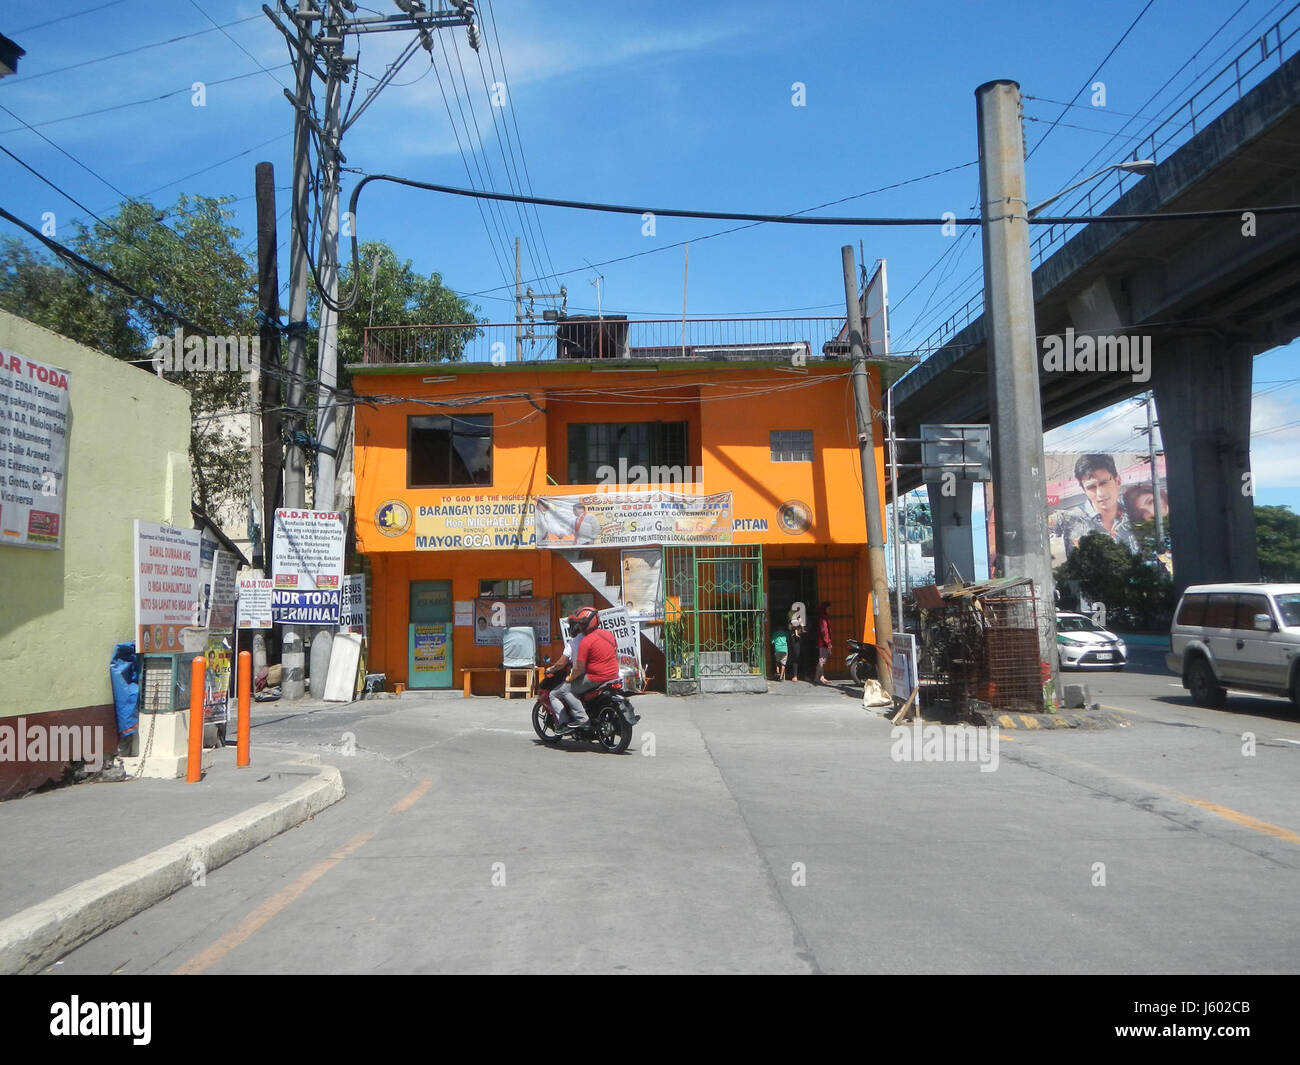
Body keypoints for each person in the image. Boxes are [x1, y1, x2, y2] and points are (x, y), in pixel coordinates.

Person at [1059, 453, 1139, 555]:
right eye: (1091, 487)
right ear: (1084, 490)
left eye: (1104, 483)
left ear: (1117, 481)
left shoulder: (1136, 512)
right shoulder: (1072, 521)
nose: (1100, 493)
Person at [566, 606, 620, 725]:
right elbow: (616, 655)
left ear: (586, 624)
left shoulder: (586, 641)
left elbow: (579, 668)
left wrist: (570, 678)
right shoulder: (608, 634)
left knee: (567, 690)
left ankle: (582, 719)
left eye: (580, 624)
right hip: (614, 675)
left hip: (596, 678)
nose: (578, 627)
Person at [545, 623, 587, 727]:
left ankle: (564, 723)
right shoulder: (590, 638)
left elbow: (561, 663)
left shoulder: (573, 642)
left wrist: (551, 669)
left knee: (554, 694)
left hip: (581, 676)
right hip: (597, 674)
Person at [814, 601, 832, 685]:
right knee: (821, 661)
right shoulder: (823, 618)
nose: (829, 610)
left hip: (822, 641)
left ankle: (821, 677)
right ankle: (817, 678)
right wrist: (828, 643)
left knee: (822, 660)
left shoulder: (822, 617)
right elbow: (824, 631)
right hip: (823, 642)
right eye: (828, 608)